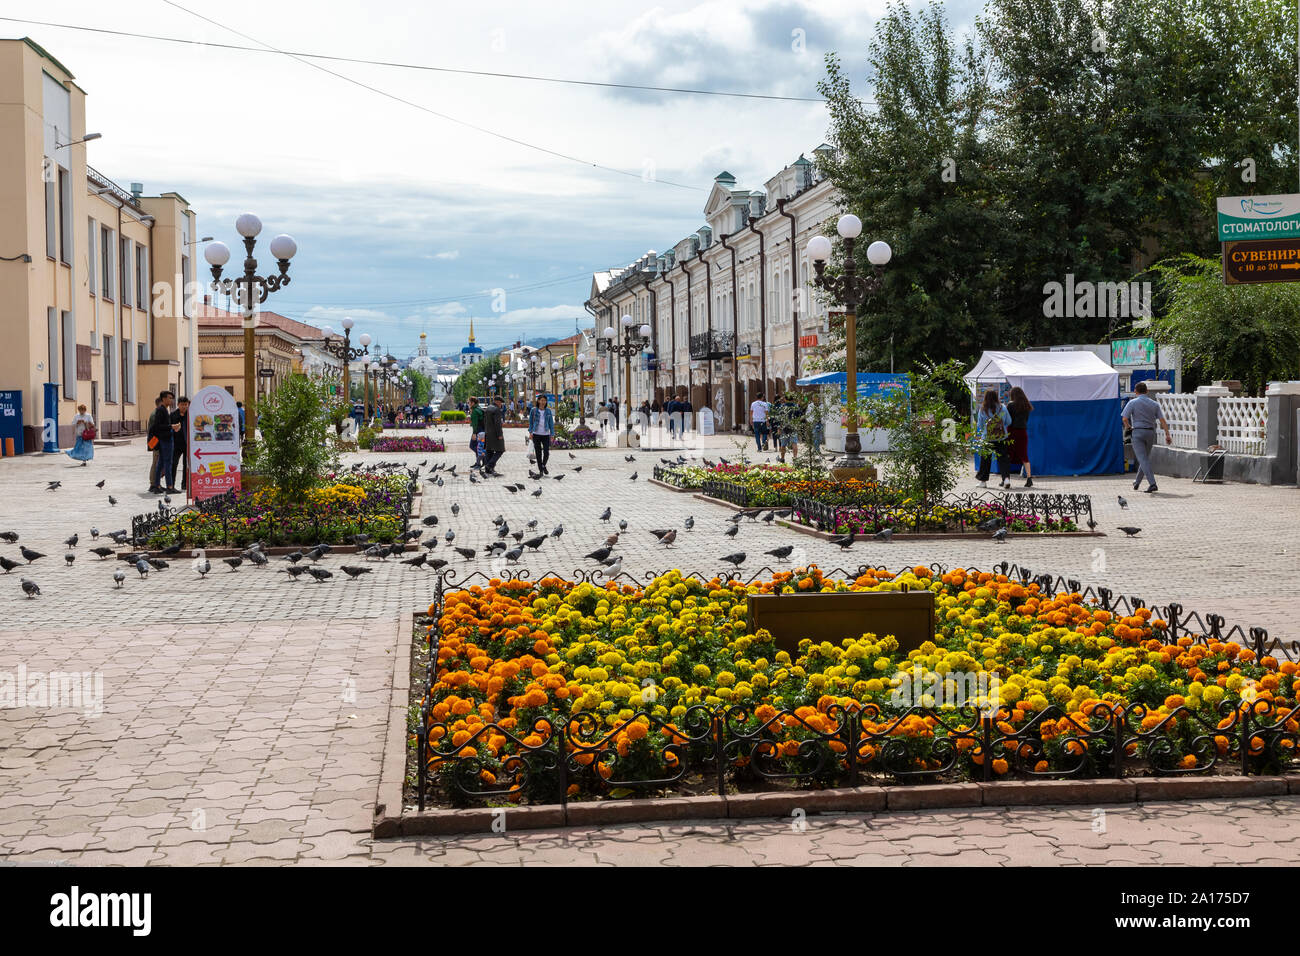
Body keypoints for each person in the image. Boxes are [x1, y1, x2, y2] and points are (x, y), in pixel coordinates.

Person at [1122, 381, 1171, 494]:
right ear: (1147, 391)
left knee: (1143, 459)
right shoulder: (1154, 404)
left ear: (1135, 391)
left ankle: (1152, 484)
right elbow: (1162, 420)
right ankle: (1137, 482)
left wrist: (1129, 427)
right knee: (1144, 459)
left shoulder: (1132, 403)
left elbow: (1124, 418)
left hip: (1137, 432)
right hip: (1150, 433)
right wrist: (1167, 434)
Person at [975, 389, 1013, 489]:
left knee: (985, 460)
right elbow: (1009, 421)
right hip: (1001, 437)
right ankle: (1006, 479)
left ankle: (983, 482)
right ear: (996, 397)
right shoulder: (1003, 408)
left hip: (987, 438)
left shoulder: (983, 409)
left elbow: (980, 424)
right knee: (1003, 459)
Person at [148, 390, 181, 493]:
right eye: (169, 398)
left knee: (161, 463)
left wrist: (171, 428)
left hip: (165, 439)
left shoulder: (163, 410)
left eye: (172, 398)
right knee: (167, 463)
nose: (171, 400)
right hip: (165, 440)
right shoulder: (161, 410)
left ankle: (157, 485)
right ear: (163, 399)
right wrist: (172, 426)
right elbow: (158, 426)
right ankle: (169, 487)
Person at [1006, 385, 1034, 488]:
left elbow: (1008, 420)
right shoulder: (1026, 405)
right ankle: (1029, 478)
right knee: (1024, 456)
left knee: (1008, 455)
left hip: (1012, 432)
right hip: (1023, 432)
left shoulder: (1010, 405)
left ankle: (1006, 478)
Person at [529, 394, 554, 475]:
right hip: (536, 434)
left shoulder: (548, 411)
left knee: (546, 452)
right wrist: (530, 432)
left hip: (546, 434)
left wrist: (552, 434)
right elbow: (531, 423)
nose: (543, 402)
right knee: (538, 453)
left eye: (544, 400)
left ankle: (543, 466)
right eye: (541, 400)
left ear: (546, 401)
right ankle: (541, 470)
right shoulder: (533, 410)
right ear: (538, 401)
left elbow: (551, 423)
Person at [169, 396, 190, 492]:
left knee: (186, 465)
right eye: (182, 405)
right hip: (176, 444)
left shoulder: (190, 415)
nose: (184, 407)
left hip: (187, 444)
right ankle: (171, 484)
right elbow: (169, 428)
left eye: (186, 404)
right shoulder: (173, 415)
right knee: (174, 464)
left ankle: (184, 484)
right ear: (178, 405)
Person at [482, 396, 506, 475]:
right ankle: (489, 465)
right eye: (500, 403)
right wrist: (500, 434)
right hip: (495, 434)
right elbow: (497, 423)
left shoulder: (488, 408)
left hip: (488, 433)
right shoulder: (496, 410)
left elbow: (484, 421)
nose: (500, 405)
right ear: (497, 401)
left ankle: (488, 469)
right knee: (500, 450)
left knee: (489, 451)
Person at [468, 396, 484, 468]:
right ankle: (478, 462)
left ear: (473, 403)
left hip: (478, 431)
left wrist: (474, 433)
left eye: (469, 402)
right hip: (482, 430)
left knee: (472, 446)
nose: (468, 403)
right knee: (478, 446)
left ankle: (483, 458)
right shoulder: (479, 408)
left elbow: (475, 423)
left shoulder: (475, 411)